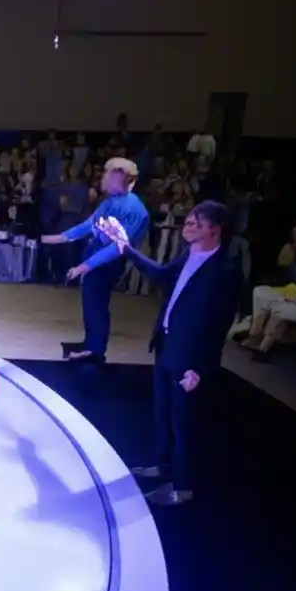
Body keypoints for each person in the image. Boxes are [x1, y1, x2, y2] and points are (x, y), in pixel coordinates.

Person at [101, 201, 241, 506]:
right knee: (162, 415)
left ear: (215, 231)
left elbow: (219, 325)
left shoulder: (224, 272)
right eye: (188, 221)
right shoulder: (188, 255)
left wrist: (200, 368)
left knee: (183, 424)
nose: (187, 226)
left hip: (189, 358)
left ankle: (183, 486)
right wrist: (125, 247)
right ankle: (163, 467)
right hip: (166, 345)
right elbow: (162, 276)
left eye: (196, 223)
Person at [41, 157, 150, 363]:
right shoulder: (110, 202)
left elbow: (118, 247)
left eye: (108, 174)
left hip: (107, 264)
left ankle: (95, 349)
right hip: (94, 258)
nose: (103, 179)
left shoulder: (134, 209)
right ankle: (90, 343)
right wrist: (59, 237)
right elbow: (91, 224)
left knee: (97, 305)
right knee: (91, 303)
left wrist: (84, 266)